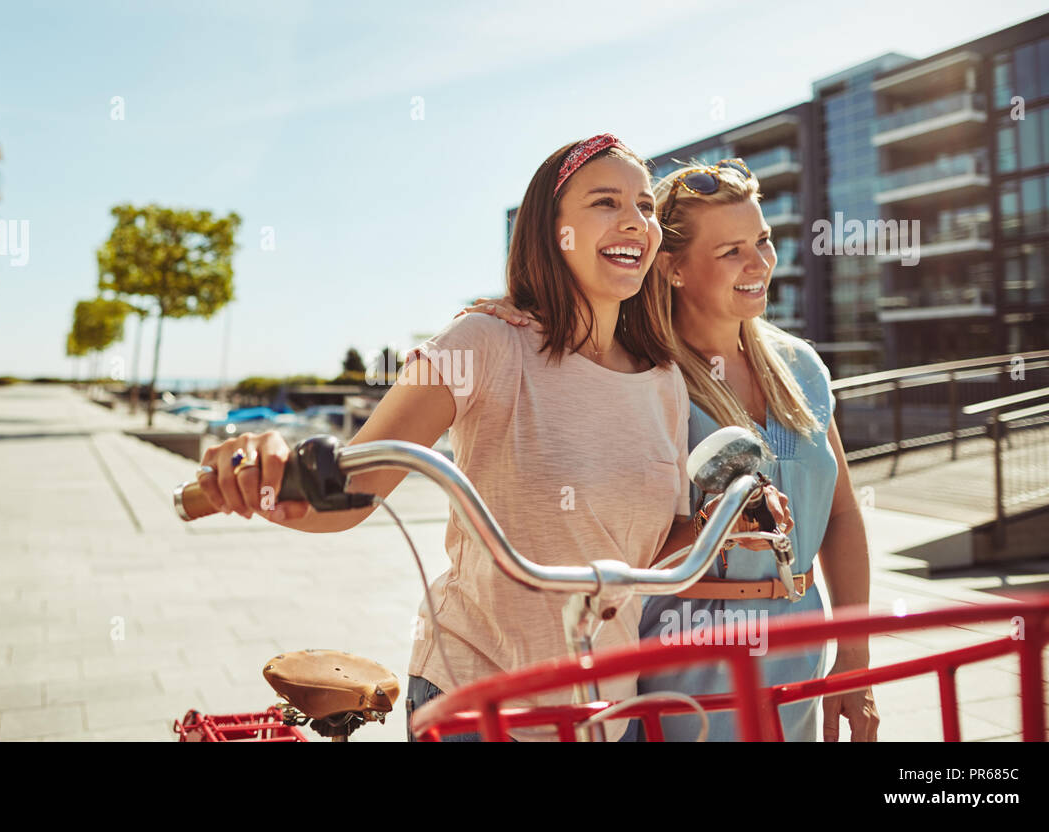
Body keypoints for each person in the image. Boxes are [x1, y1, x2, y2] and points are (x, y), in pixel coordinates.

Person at [192, 135, 791, 742]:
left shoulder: (661, 378)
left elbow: (649, 550)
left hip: (602, 709)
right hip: (475, 698)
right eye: (605, 202)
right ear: (551, 231)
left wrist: (722, 521)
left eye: (643, 206)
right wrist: (265, 471)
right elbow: (350, 490)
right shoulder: (484, 340)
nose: (634, 221)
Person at [456, 158, 878, 741]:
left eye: (763, 240)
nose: (760, 264)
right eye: (731, 251)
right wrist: (518, 319)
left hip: (797, 649)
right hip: (683, 661)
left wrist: (854, 661)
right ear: (673, 269)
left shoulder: (800, 366)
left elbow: (841, 514)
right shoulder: (641, 376)